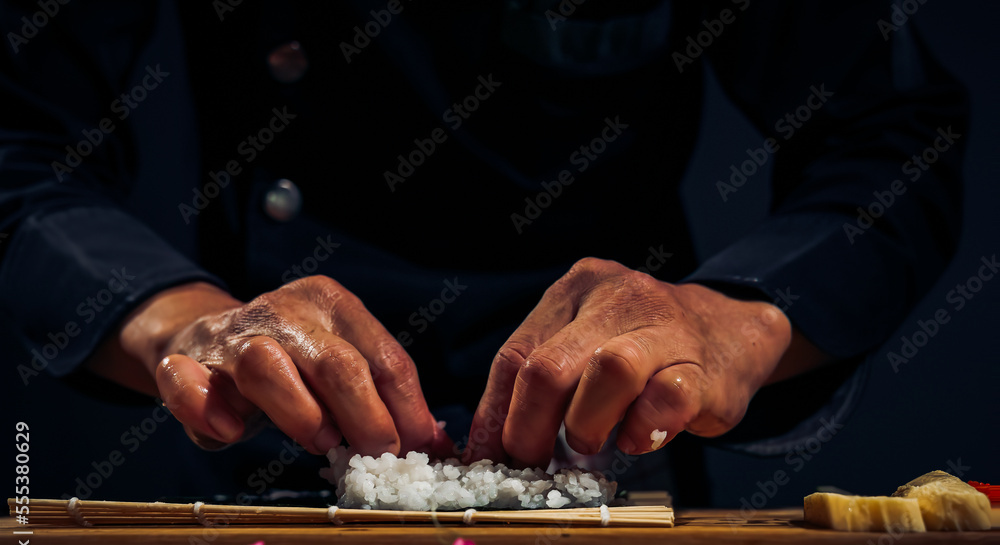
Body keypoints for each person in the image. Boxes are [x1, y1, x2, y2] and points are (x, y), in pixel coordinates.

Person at [0, 1, 967, 502]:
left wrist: (734, 319)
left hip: (615, 457)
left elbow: (892, 133)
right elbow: (15, 144)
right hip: (282, 453)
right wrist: (189, 327)